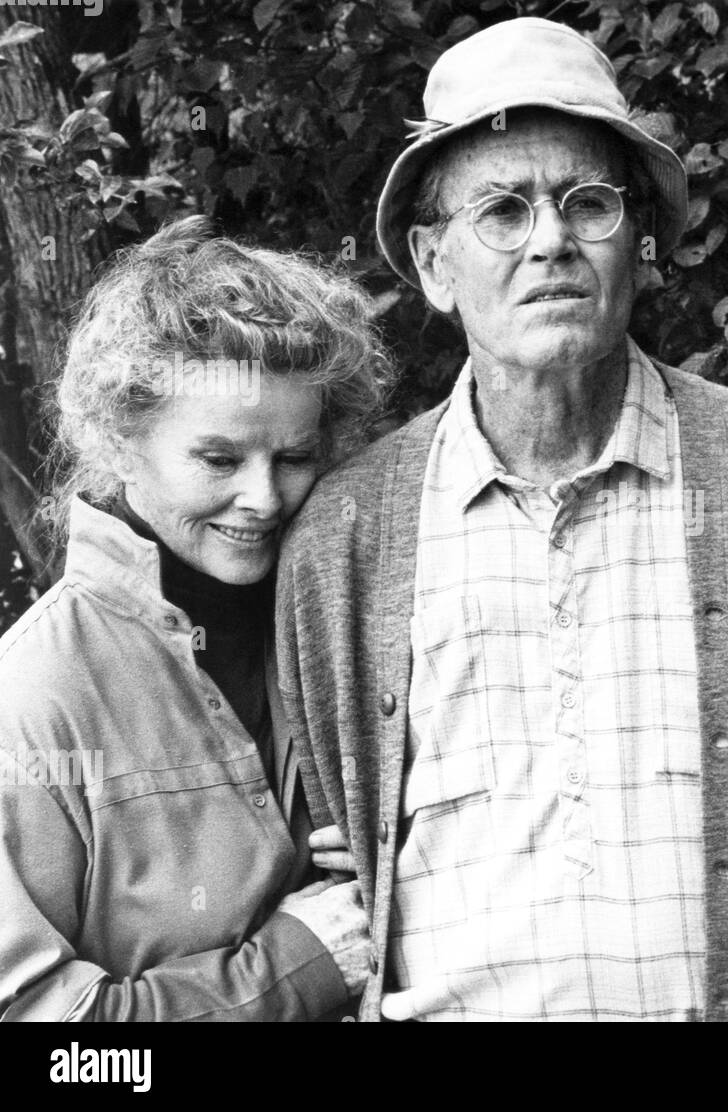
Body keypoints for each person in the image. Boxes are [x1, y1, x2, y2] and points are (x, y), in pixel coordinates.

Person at [275, 16, 728, 1022]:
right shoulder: (348, 533)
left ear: (639, 245)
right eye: (501, 211)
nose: (549, 239)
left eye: (585, 203)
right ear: (432, 263)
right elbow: (336, 844)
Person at [0, 217, 388, 1020]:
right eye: (219, 459)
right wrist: (292, 968)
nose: (264, 497)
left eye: (294, 457)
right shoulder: (29, 700)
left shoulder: (355, 627)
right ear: (118, 443)